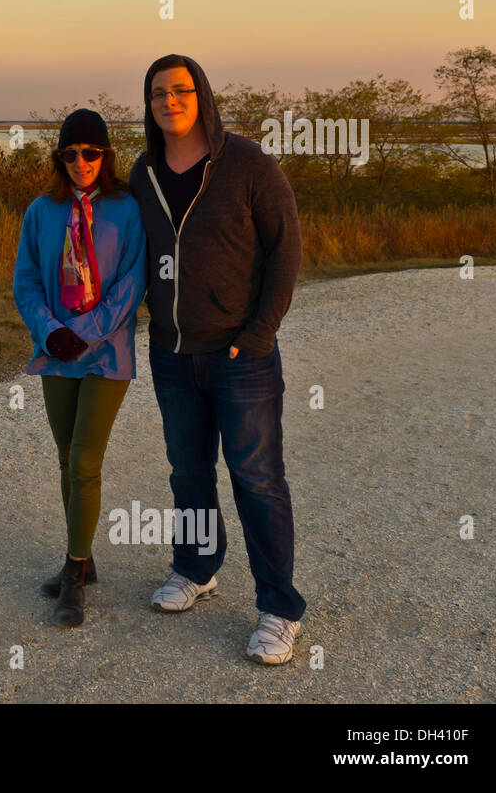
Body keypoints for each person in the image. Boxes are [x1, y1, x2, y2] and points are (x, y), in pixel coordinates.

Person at [128, 54, 306, 664]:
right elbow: (133, 253)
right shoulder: (144, 171)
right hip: (173, 353)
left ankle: (279, 608)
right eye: (157, 93)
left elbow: (286, 251)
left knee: (257, 480)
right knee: (188, 474)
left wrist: (259, 334)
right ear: (149, 104)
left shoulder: (248, 163)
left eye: (180, 90)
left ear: (201, 95)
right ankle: (196, 568)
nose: (169, 100)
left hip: (241, 356)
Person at [13, 109, 147, 628]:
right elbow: (25, 280)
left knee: (85, 461)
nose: (80, 162)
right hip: (56, 351)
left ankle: (72, 575)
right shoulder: (41, 211)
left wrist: (87, 331)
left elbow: (133, 282)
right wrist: (51, 331)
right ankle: (85, 558)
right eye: (70, 154)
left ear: (106, 157)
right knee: (66, 453)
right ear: (59, 158)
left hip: (106, 352)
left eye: (91, 153)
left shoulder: (126, 210)